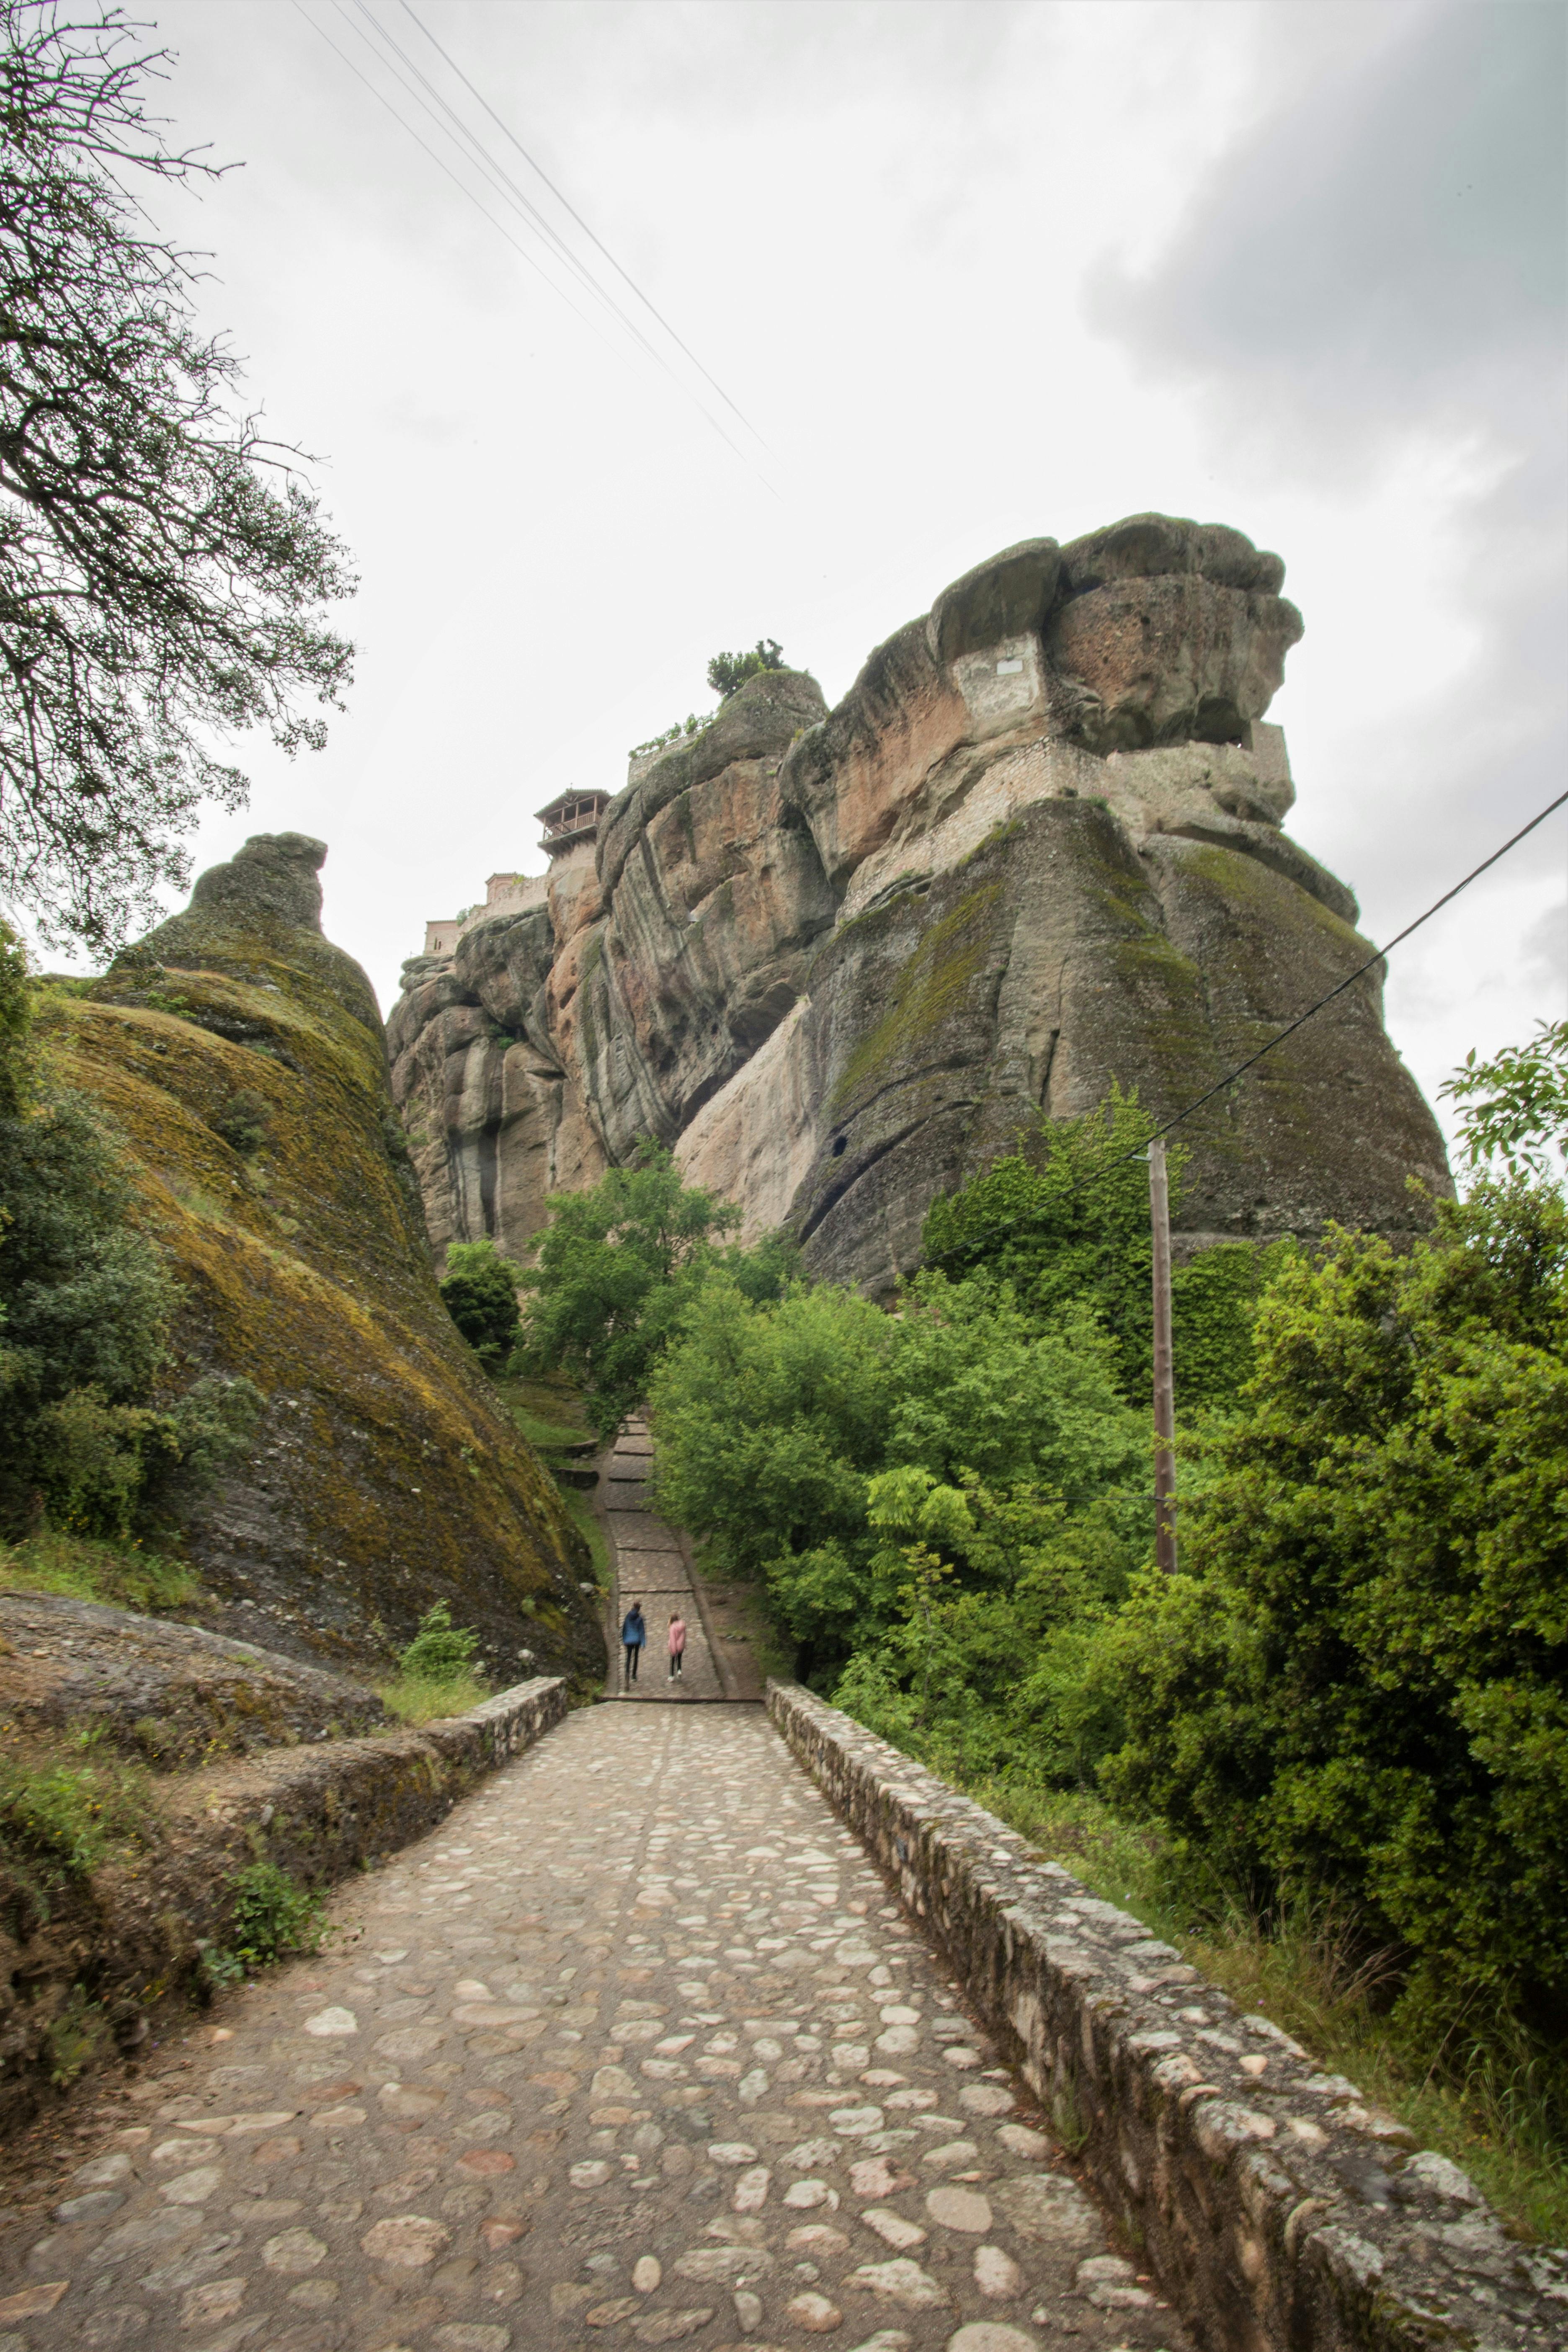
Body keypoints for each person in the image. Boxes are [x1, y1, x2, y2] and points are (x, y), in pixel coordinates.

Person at [621, 1600, 646, 1686]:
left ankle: (627, 1673)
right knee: (635, 1657)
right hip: (637, 1641)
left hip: (628, 1640)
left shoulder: (628, 1616)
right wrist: (643, 1643)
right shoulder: (640, 1618)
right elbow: (642, 1631)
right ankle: (634, 1675)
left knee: (628, 1658)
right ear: (639, 1609)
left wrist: (623, 1639)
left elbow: (624, 1628)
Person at [668, 1610, 687, 1680]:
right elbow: (684, 1636)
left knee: (673, 1661)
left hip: (675, 1647)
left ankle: (672, 1676)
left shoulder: (673, 1627)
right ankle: (679, 1670)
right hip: (681, 1646)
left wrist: (673, 1650)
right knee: (679, 1659)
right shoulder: (683, 1625)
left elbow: (673, 1640)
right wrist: (684, 1645)